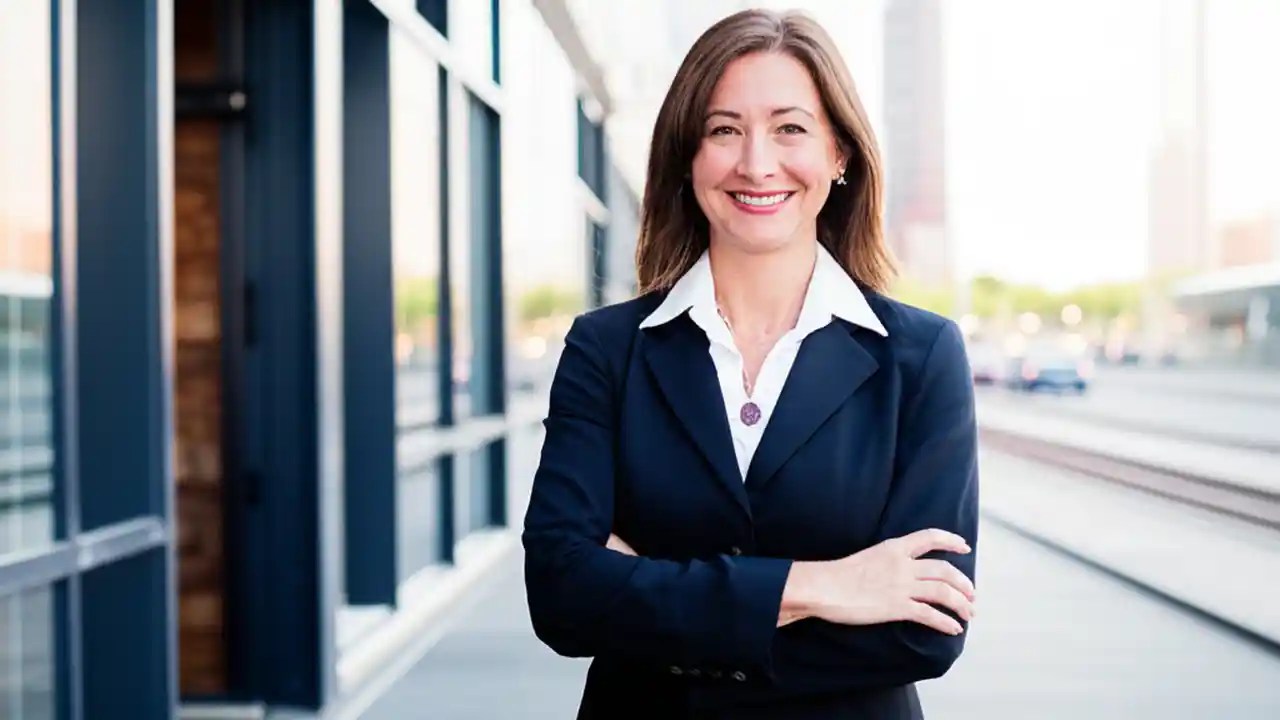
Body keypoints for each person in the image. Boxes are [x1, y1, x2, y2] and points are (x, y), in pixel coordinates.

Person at [522, 9, 978, 720]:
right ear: (687, 156)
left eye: (790, 128)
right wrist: (822, 587)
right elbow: (560, 594)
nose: (756, 163)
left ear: (840, 154)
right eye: (724, 129)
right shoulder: (607, 350)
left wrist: (644, 589)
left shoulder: (919, 357)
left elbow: (924, 632)